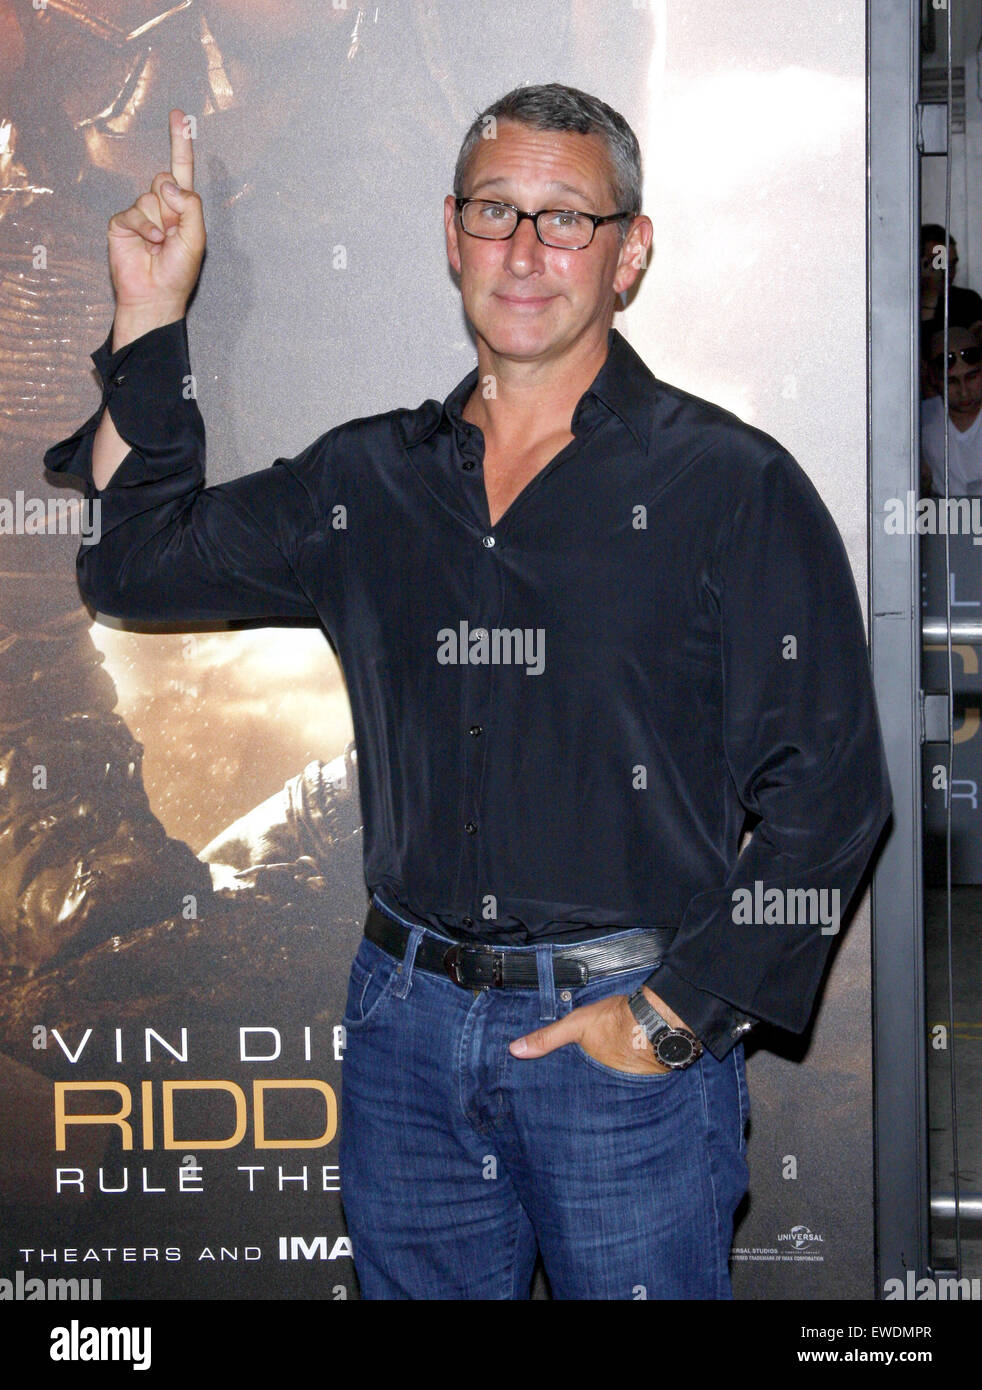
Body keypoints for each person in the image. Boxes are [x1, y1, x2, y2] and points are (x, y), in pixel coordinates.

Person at [44, 83, 892, 1300]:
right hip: (402, 1031)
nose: (526, 250)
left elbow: (834, 789)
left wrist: (674, 1015)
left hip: (621, 1043)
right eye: (497, 212)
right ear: (451, 234)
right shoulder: (367, 479)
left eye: (566, 219)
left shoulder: (729, 486)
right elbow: (136, 561)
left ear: (629, 250)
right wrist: (147, 312)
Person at [921, 324, 982, 497]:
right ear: (933, 377)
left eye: (971, 377)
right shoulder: (919, 421)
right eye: (951, 381)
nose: (964, 392)